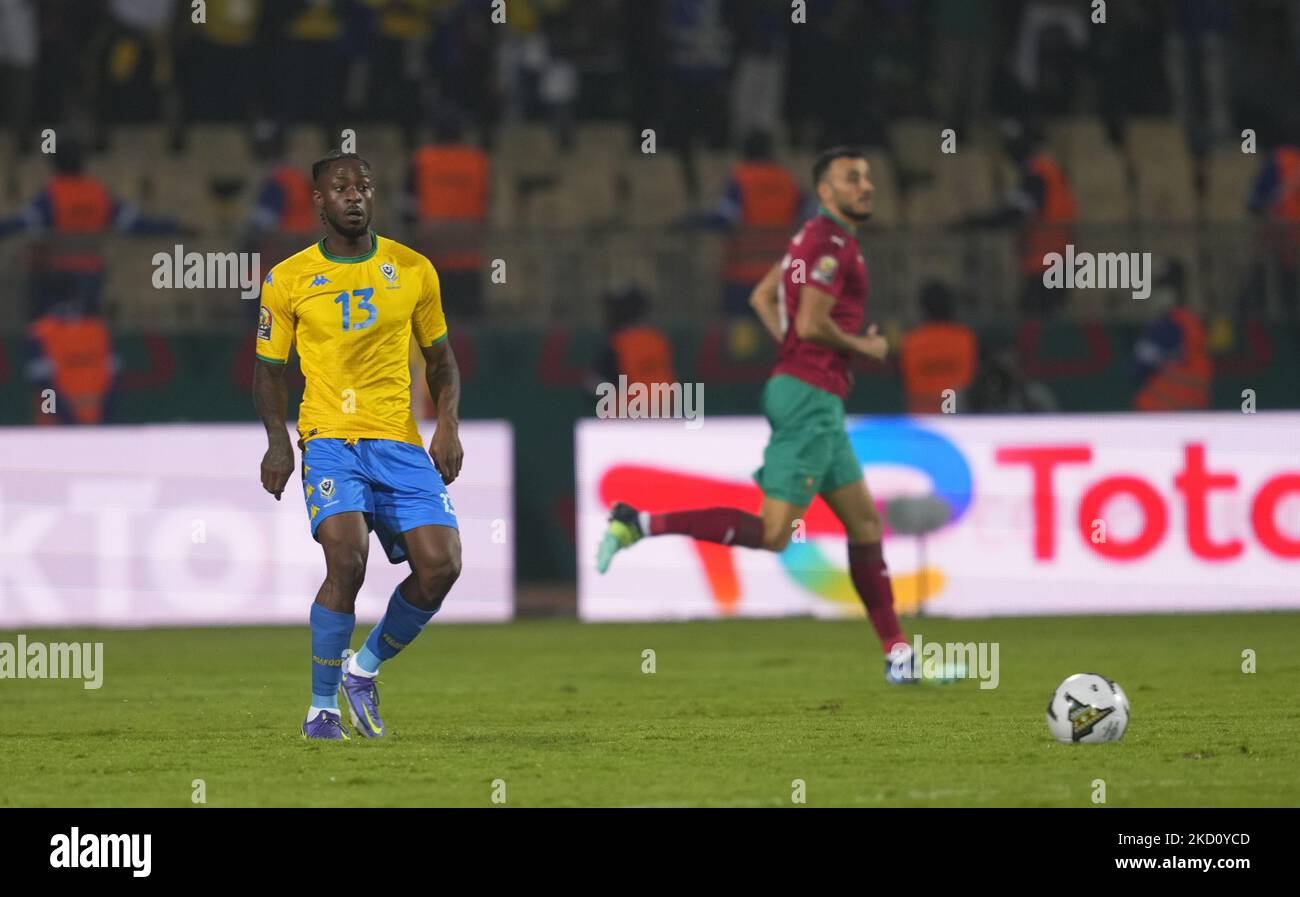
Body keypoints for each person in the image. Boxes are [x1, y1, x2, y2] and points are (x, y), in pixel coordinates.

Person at [597, 147, 942, 685]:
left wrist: (795, 351)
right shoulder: (831, 245)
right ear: (826, 192)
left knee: (865, 522)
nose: (866, 185)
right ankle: (638, 521)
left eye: (868, 175)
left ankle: (899, 655)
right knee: (776, 532)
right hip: (809, 397)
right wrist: (861, 346)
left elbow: (763, 296)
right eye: (852, 178)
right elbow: (809, 322)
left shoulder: (806, 241)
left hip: (811, 393)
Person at [252, 150, 464, 740]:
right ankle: (321, 709)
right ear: (318, 201)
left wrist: (447, 425)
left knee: (441, 567)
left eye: (363, 186)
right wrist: (278, 442)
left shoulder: (414, 269)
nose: (354, 196)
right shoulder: (288, 278)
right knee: (346, 558)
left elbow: (442, 361)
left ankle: (362, 670)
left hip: (398, 440)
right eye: (341, 188)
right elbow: (268, 370)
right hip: (329, 439)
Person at [1134, 259, 1212, 411]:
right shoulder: (1193, 322)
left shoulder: (1166, 326)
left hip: (1160, 415)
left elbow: (1137, 370)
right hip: (1191, 413)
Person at [899, 281, 978, 413]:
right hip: (956, 417)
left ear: (923, 308)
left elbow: (904, 381)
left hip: (921, 420)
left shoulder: (911, 342)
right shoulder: (965, 339)